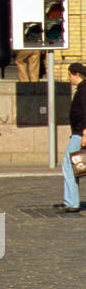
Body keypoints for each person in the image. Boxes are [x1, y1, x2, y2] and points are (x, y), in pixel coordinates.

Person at [56, 61, 86, 212]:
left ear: (76, 74)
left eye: (69, 75)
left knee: (69, 164)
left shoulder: (84, 89)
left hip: (80, 133)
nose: (68, 78)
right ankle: (69, 199)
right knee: (71, 165)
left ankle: (72, 202)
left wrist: (85, 133)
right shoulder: (81, 89)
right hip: (78, 132)